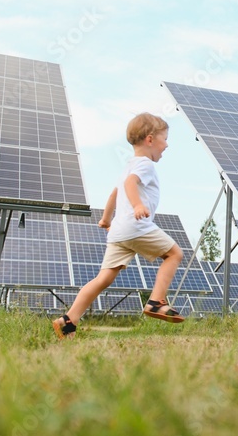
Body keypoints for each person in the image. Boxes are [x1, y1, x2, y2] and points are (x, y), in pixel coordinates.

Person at [53, 113, 184, 339]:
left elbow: (116, 191)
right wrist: (137, 205)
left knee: (103, 279)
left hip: (118, 231)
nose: (167, 144)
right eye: (165, 138)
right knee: (174, 254)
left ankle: (68, 321)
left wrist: (106, 219)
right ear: (150, 140)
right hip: (136, 226)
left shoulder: (128, 166)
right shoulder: (145, 165)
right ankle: (156, 302)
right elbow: (129, 184)